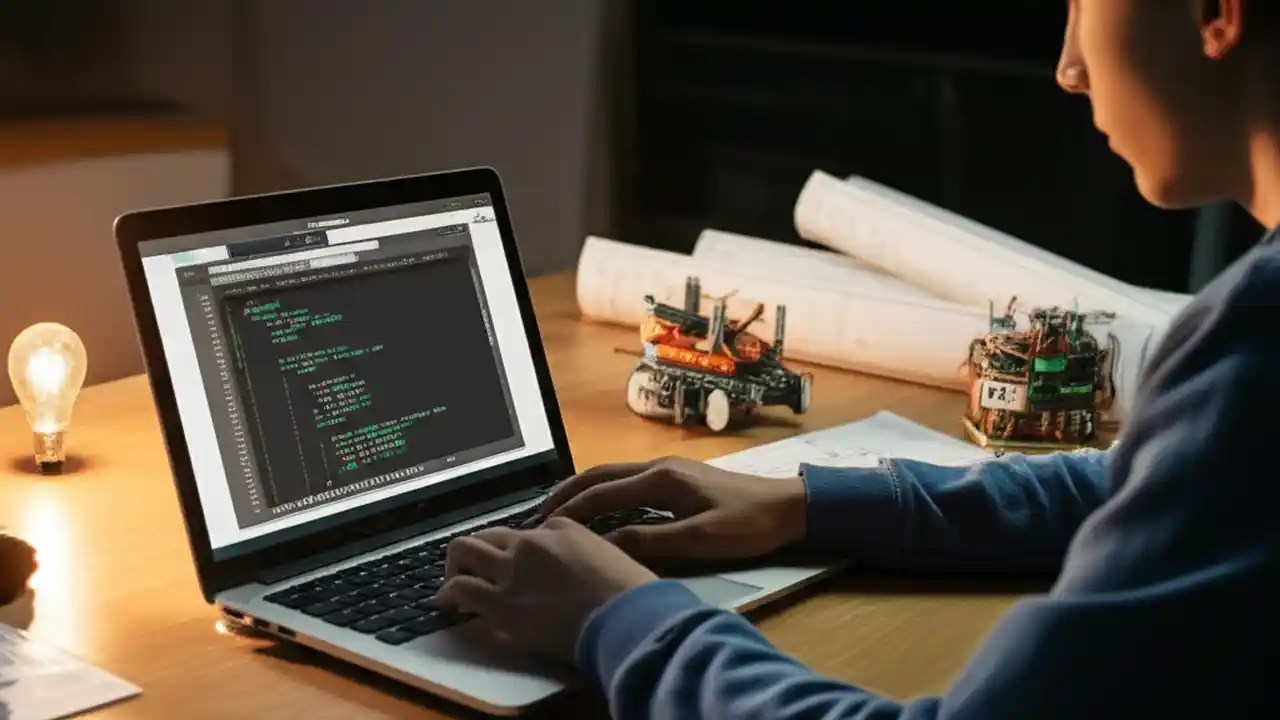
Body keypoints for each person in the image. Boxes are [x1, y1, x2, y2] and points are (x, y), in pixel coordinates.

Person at [438, 1, 1280, 716]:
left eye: (1083, 5)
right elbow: (1132, 484)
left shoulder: (1255, 343)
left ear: (1215, 12)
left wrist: (618, 618)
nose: (1068, 66)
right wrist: (804, 504)